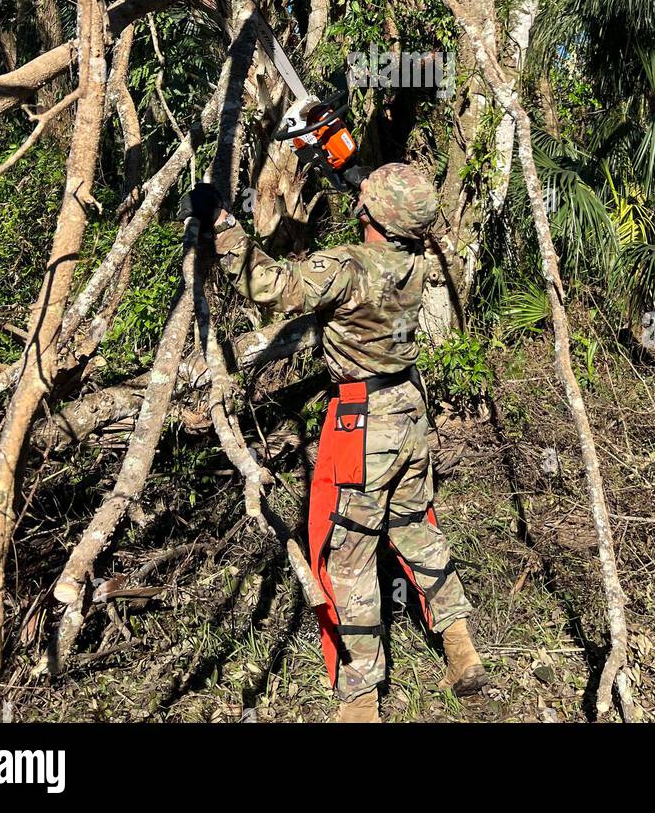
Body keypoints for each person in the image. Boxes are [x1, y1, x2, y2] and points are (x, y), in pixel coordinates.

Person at [188, 162, 485, 723]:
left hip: (364, 420)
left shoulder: (348, 268)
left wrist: (223, 221)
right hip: (410, 410)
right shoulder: (416, 263)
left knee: (350, 557)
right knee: (414, 527)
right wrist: (358, 180)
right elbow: (383, 219)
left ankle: (361, 695)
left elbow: (271, 287)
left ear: (372, 213)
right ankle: (461, 647)